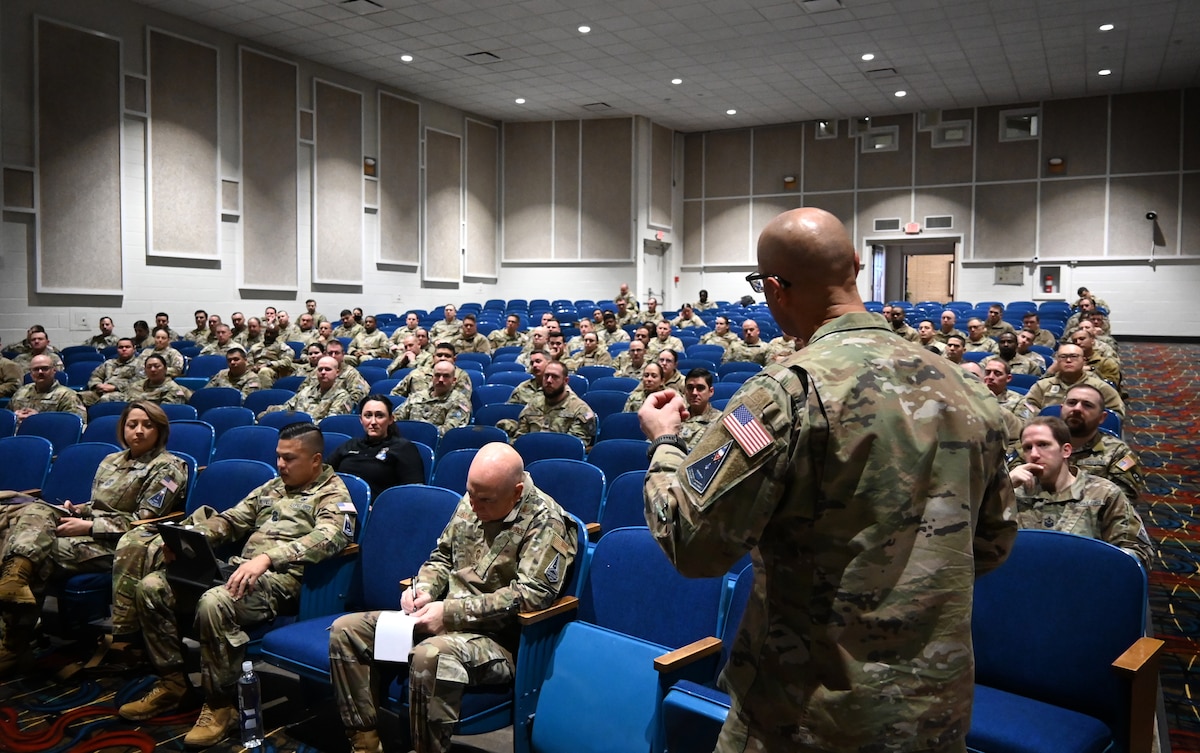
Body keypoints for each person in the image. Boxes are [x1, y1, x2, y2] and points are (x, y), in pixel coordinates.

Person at [639, 207, 1017, 751]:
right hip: (932, 709)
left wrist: (666, 444)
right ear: (858, 267)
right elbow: (995, 539)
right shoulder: (966, 387)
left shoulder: (785, 394)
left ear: (773, 288)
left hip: (807, 712)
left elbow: (692, 543)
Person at [111, 423, 355, 746]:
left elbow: (333, 537)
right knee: (152, 587)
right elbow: (231, 519)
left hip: (282, 583)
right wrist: (189, 539)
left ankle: (220, 704)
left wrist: (269, 558)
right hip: (239, 573)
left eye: (289, 459)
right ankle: (173, 684)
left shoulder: (334, 494)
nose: (281, 465)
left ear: (315, 460)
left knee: (216, 601)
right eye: (278, 457)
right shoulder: (273, 487)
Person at [329, 442, 578, 753]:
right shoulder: (475, 497)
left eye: (484, 500)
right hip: (440, 616)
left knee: (430, 656)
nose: (473, 505)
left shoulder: (546, 521)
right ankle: (365, 744)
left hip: (497, 641)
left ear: (516, 492)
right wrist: (423, 589)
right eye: (470, 495)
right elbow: (442, 557)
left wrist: (449, 614)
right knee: (346, 631)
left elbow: (531, 596)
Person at [0, 401, 188, 673]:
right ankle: (15, 580)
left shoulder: (170, 469)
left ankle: (14, 643)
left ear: (160, 431)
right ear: (122, 428)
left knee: (40, 553)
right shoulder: (111, 461)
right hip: (89, 535)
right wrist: (76, 510)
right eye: (132, 424)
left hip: (123, 546)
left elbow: (142, 521)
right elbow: (97, 504)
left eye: (148, 425)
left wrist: (87, 526)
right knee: (38, 510)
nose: (138, 431)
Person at [1009, 417, 1152, 567]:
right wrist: (1003, 488)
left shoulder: (1104, 493)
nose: (1034, 454)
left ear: (1066, 451)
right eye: (1027, 448)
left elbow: (1138, 554)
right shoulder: (1012, 492)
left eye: (1043, 445)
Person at [328, 395, 426, 500]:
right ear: (361, 419)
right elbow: (323, 474)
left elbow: (414, 493)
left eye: (380, 416)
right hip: (337, 504)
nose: (373, 422)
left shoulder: (403, 448)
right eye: (368, 416)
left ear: (390, 419)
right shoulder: (350, 445)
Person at [504, 361, 596, 449]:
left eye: (555, 377)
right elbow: (521, 438)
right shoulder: (534, 404)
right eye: (546, 376)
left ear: (566, 381)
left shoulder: (580, 410)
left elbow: (573, 447)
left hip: (559, 460)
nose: (549, 380)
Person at [1021, 343, 1125, 419]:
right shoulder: (1042, 386)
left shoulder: (1100, 387)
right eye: (1063, 357)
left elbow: (1116, 415)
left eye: (1074, 356)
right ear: (1057, 361)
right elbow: (1027, 407)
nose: (1069, 360)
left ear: (1083, 361)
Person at [393, 360, 472, 436]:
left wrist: (416, 432)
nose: (441, 380)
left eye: (446, 376)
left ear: (454, 380)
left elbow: (450, 431)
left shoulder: (460, 401)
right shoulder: (417, 396)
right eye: (437, 375)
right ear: (432, 378)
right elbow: (396, 417)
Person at [266, 356, 355, 421]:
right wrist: (269, 411)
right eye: (320, 369)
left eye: (327, 369)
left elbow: (330, 422)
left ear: (337, 373)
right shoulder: (306, 391)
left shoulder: (342, 396)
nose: (323, 372)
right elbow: (286, 408)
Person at [9, 355, 86, 425]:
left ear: (54, 371)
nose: (40, 372)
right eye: (36, 369)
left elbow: (75, 425)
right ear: (31, 373)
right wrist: (14, 416)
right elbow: (7, 416)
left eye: (45, 368)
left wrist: (40, 418)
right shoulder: (21, 392)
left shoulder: (67, 395)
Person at [82, 337, 140, 406]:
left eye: (127, 347)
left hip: (123, 393)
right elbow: (96, 375)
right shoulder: (109, 363)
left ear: (134, 349)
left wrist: (115, 387)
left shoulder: (139, 364)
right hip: (101, 391)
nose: (124, 349)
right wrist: (98, 385)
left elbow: (139, 382)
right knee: (78, 397)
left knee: (105, 399)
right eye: (120, 347)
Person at [122, 354, 192, 405]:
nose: (152, 370)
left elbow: (166, 414)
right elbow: (125, 407)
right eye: (149, 367)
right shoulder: (135, 386)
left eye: (156, 366)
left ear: (165, 369)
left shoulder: (173, 389)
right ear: (145, 370)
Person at [678, 368, 719, 450]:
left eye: (700, 388)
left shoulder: (719, 421)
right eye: (690, 388)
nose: (694, 393)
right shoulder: (675, 417)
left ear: (711, 391)